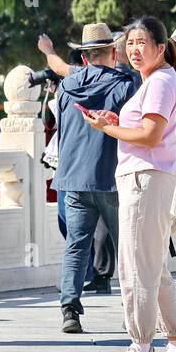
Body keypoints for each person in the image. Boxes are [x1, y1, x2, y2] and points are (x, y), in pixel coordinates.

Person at [82, 16, 176, 352]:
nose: (133, 49)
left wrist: (108, 129)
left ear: (161, 48)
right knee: (154, 266)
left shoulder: (161, 81)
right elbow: (146, 130)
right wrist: (116, 122)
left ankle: (140, 345)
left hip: (145, 179)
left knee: (135, 267)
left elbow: (150, 136)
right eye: (129, 43)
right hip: (147, 177)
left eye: (141, 42)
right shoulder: (156, 81)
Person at [52, 23, 137, 335]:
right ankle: (132, 312)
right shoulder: (126, 85)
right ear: (114, 53)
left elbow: (61, 129)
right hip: (112, 176)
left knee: (76, 245)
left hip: (73, 176)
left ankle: (69, 308)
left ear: (85, 57)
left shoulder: (65, 87)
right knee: (126, 246)